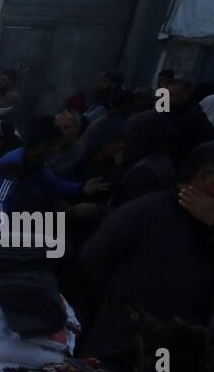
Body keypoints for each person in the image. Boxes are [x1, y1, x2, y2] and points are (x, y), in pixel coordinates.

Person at [78, 142, 214, 357]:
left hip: (183, 351)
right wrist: (121, 302)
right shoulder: (143, 211)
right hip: (123, 341)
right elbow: (92, 260)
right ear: (207, 179)